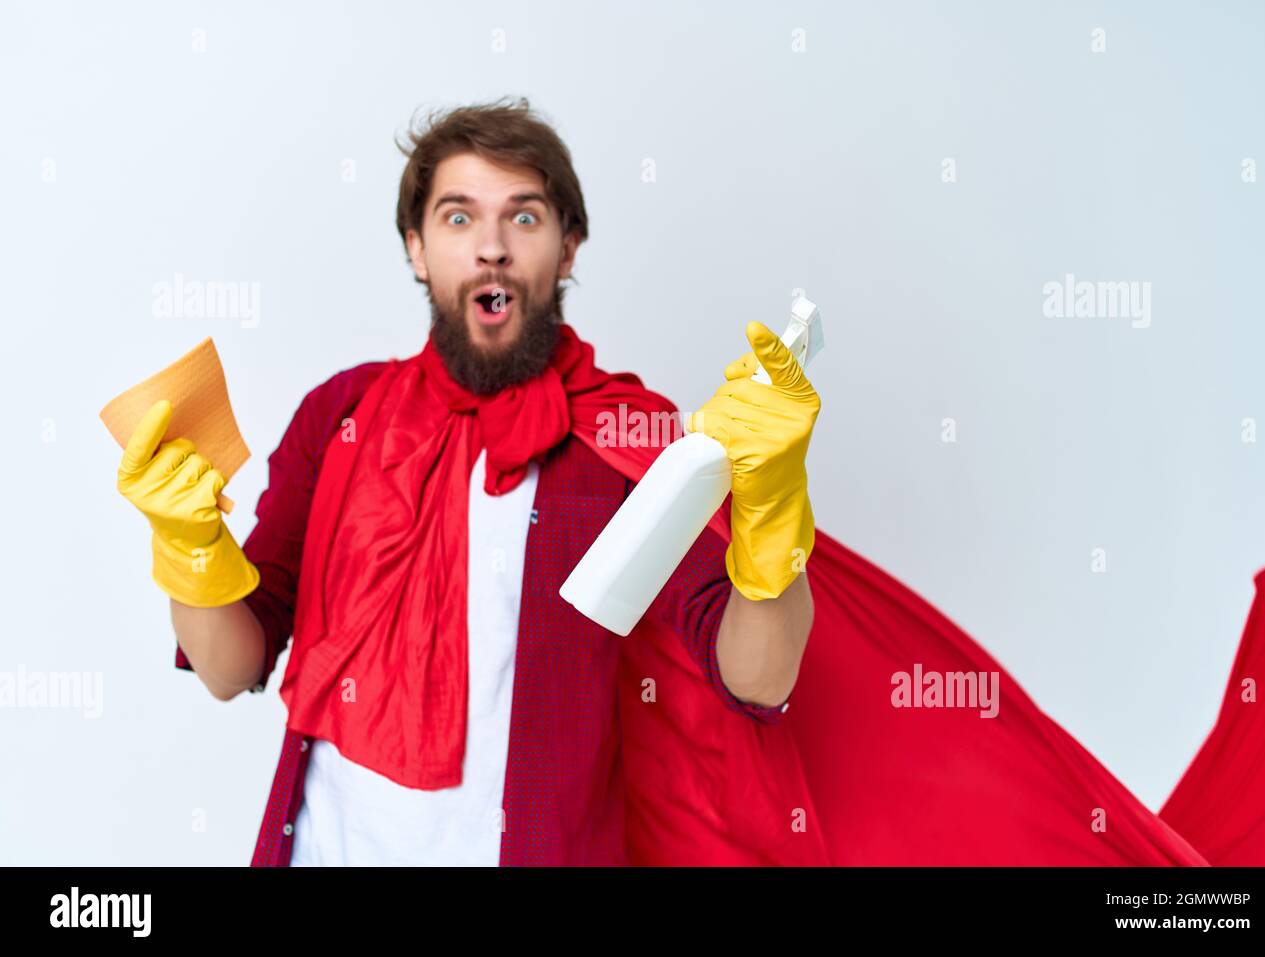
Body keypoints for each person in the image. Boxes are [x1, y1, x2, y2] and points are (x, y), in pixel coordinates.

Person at [114, 97, 821, 866]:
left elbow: (757, 676)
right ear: (416, 249)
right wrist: (190, 547)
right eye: (457, 218)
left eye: (524, 218)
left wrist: (772, 515)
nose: (491, 248)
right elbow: (232, 667)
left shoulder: (626, 432)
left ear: (569, 247)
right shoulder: (341, 415)